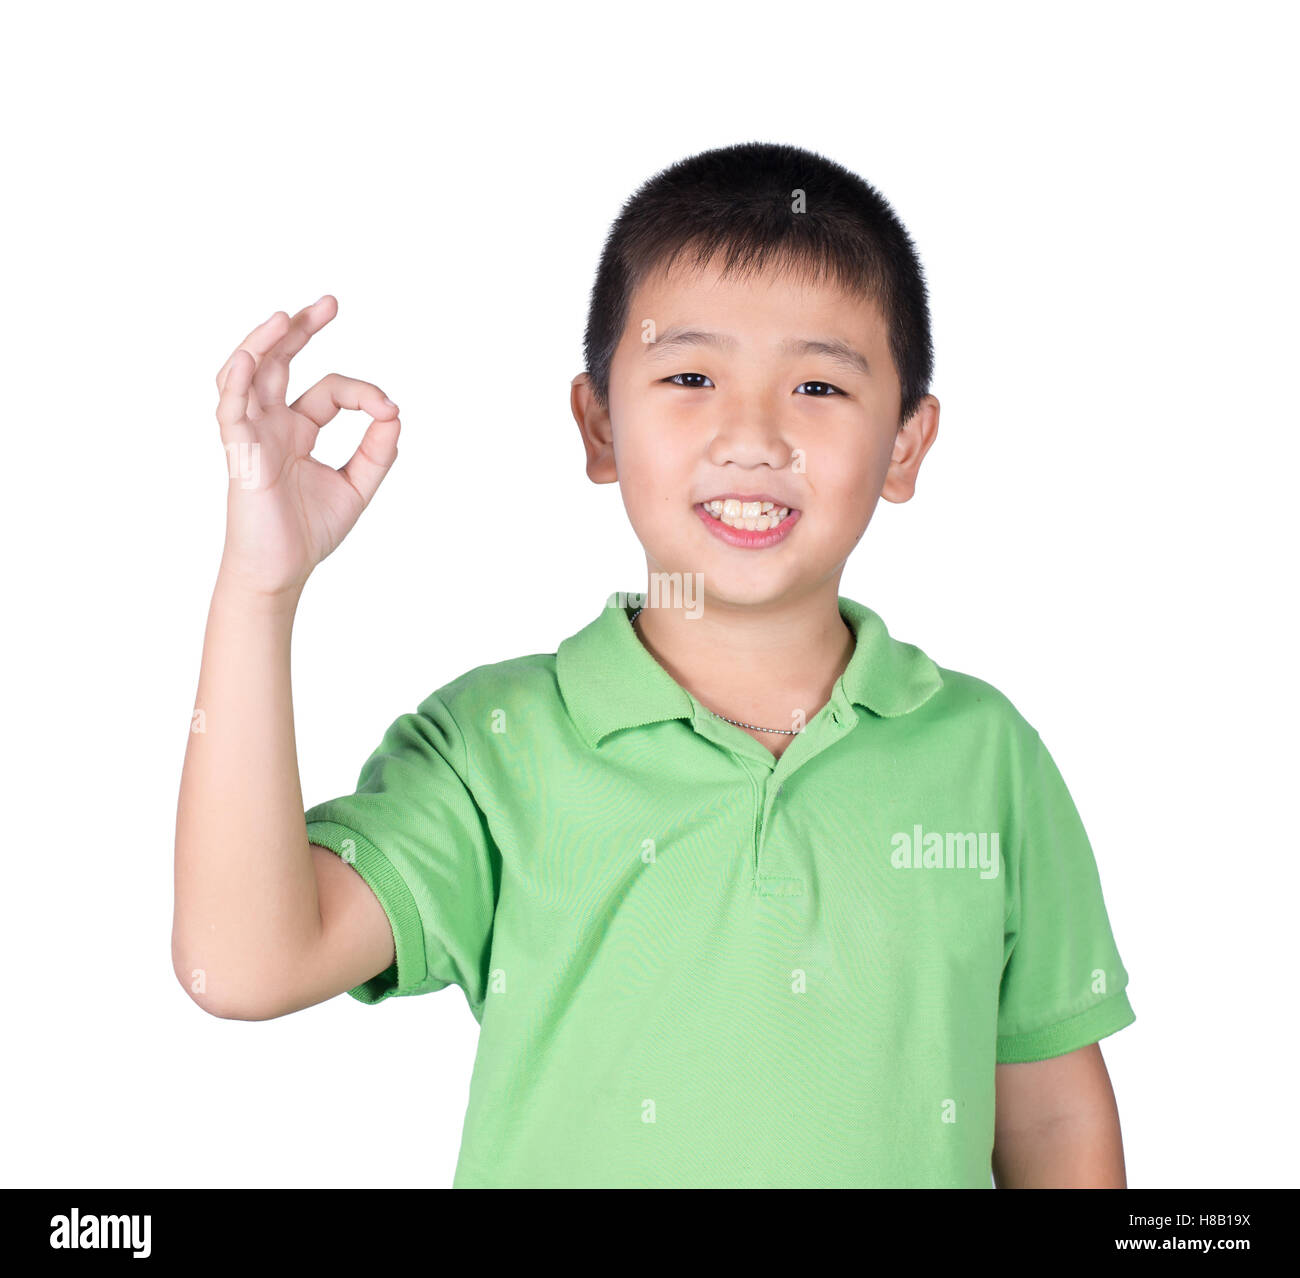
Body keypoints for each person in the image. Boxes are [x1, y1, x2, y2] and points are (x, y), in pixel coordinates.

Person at [173, 141, 1135, 1188]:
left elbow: (1050, 1127)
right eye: (689, 375)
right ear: (598, 426)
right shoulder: (501, 747)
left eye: (818, 384)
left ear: (905, 444)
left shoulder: (984, 755)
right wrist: (259, 591)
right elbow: (245, 965)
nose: (754, 435)